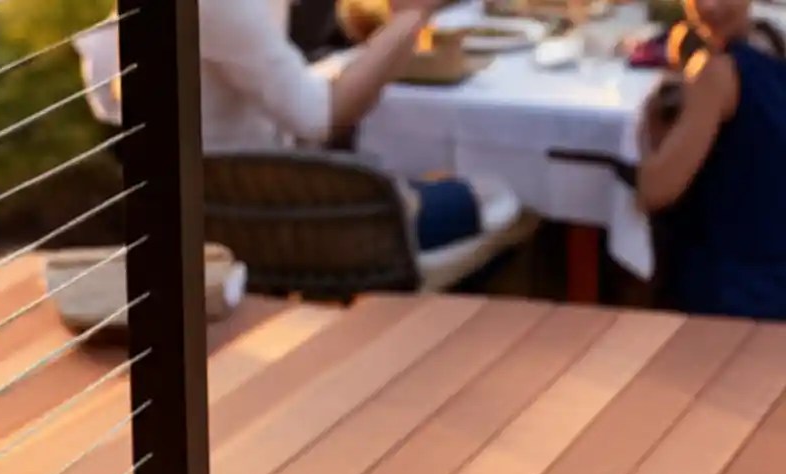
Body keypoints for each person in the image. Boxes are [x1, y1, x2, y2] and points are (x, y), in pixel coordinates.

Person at [74, 0, 526, 285]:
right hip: (288, 227)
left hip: (220, 217)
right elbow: (320, 119)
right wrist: (412, 18)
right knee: (511, 189)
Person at [637, 0, 786, 319]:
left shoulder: (718, 75)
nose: (709, 6)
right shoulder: (775, 47)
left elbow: (656, 190)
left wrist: (649, 128)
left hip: (736, 291)